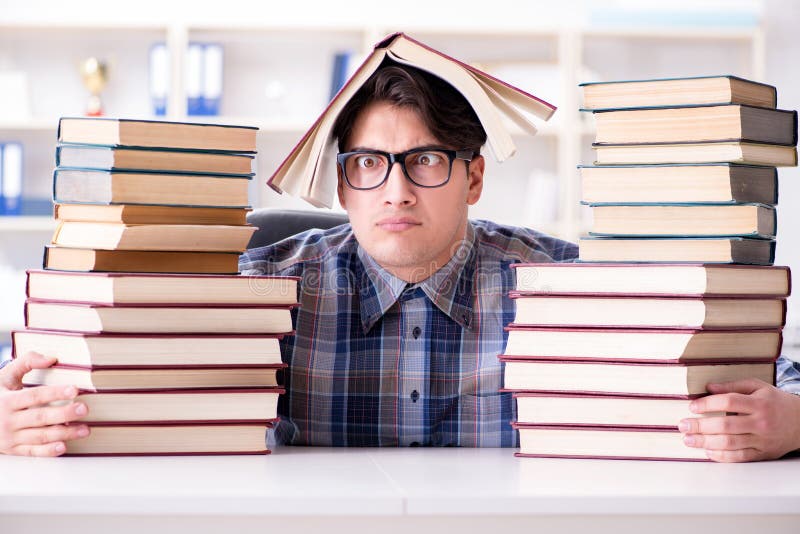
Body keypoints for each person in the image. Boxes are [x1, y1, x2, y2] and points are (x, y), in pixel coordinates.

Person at [2, 63, 800, 458]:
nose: (395, 190)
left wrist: (786, 420)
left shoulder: (571, 290)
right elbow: (54, 366)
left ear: (475, 175)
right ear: (339, 180)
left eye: (426, 160)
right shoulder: (253, 288)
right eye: (367, 164)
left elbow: (776, 374)